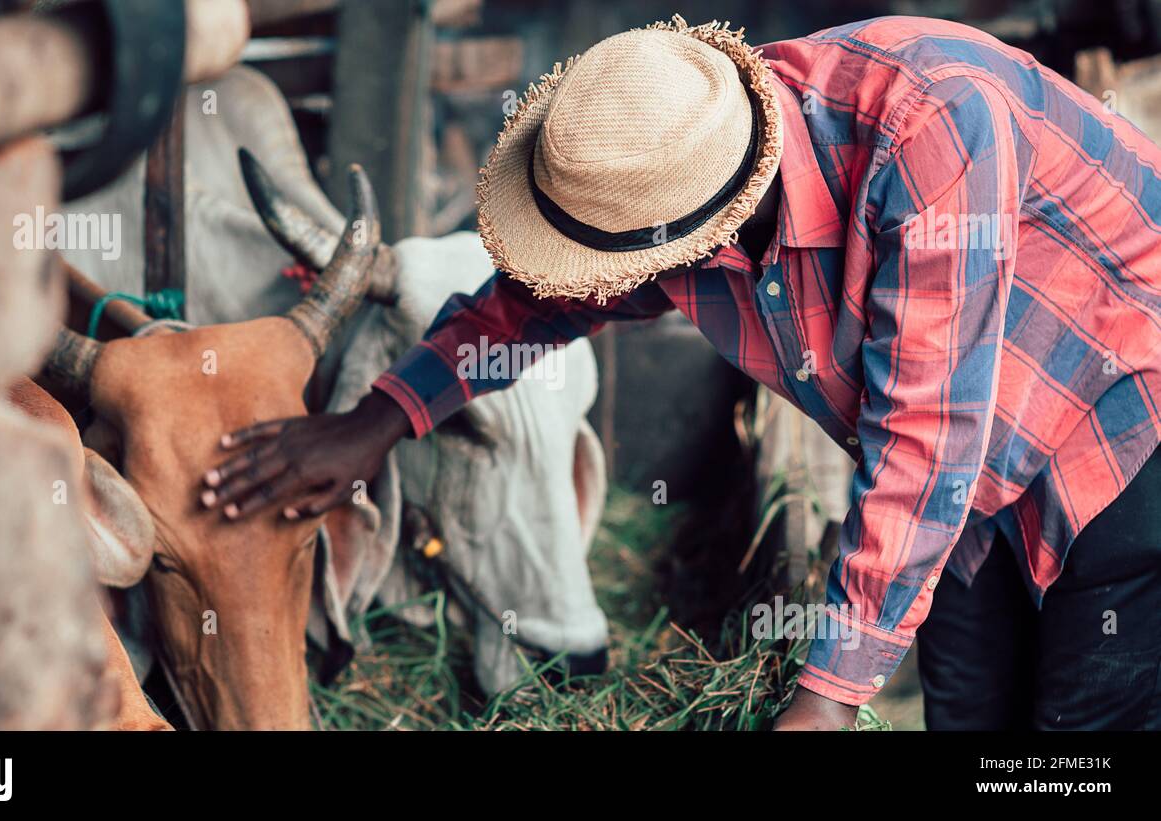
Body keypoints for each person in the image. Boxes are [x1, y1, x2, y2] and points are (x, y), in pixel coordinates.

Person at [200, 16, 1161, 730]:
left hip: (1120, 422)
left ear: (707, 228)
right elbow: (539, 300)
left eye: (620, 272)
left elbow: (928, 441)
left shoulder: (932, 131)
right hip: (965, 484)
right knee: (972, 711)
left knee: (1076, 738)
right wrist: (375, 419)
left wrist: (825, 701)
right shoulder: (671, 171)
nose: (604, 291)